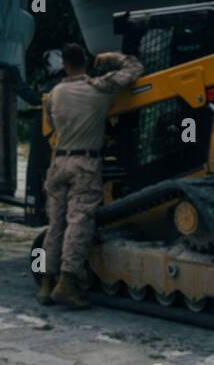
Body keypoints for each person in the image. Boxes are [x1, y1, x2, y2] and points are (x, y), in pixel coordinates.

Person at [40, 42, 143, 309]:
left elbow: (51, 125)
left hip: (58, 163)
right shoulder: (99, 88)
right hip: (85, 164)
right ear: (86, 62)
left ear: (64, 64)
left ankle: (45, 284)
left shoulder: (55, 93)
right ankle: (67, 283)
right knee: (79, 221)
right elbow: (135, 68)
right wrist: (110, 56)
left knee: (56, 224)